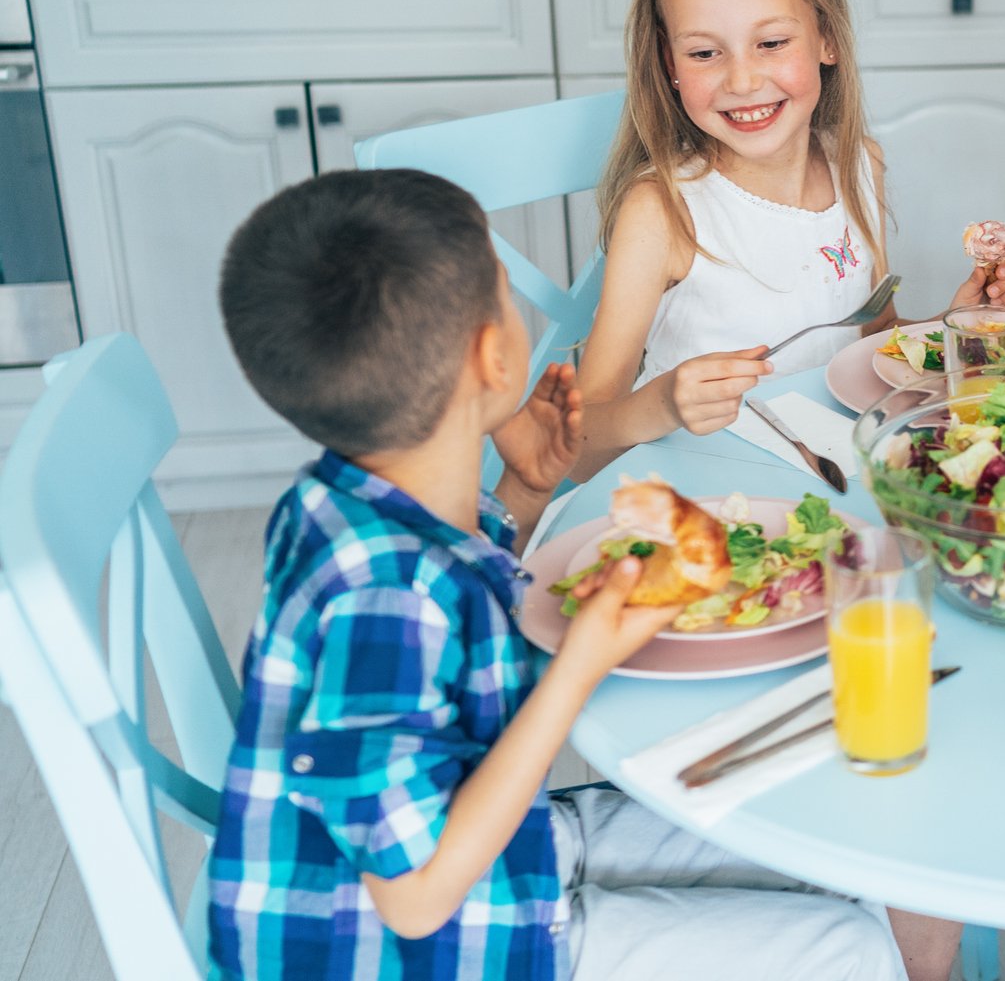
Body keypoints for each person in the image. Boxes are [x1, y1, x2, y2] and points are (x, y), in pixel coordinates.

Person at [207, 168, 932, 979]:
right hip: (421, 946)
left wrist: (526, 488)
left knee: (824, 840)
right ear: (493, 354)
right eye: (504, 290)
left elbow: (453, 621)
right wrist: (581, 664)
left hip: (500, 852)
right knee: (854, 946)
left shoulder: (350, 502)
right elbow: (413, 896)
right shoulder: (383, 594)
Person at [574, 0, 1005, 475]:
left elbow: (871, 340)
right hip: (703, 496)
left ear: (828, 37)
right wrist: (662, 403)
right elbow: (578, 445)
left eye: (770, 42)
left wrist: (957, 329)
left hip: (835, 482)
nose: (742, 81)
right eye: (705, 52)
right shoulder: (663, 213)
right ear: (669, 64)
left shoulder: (858, 166)